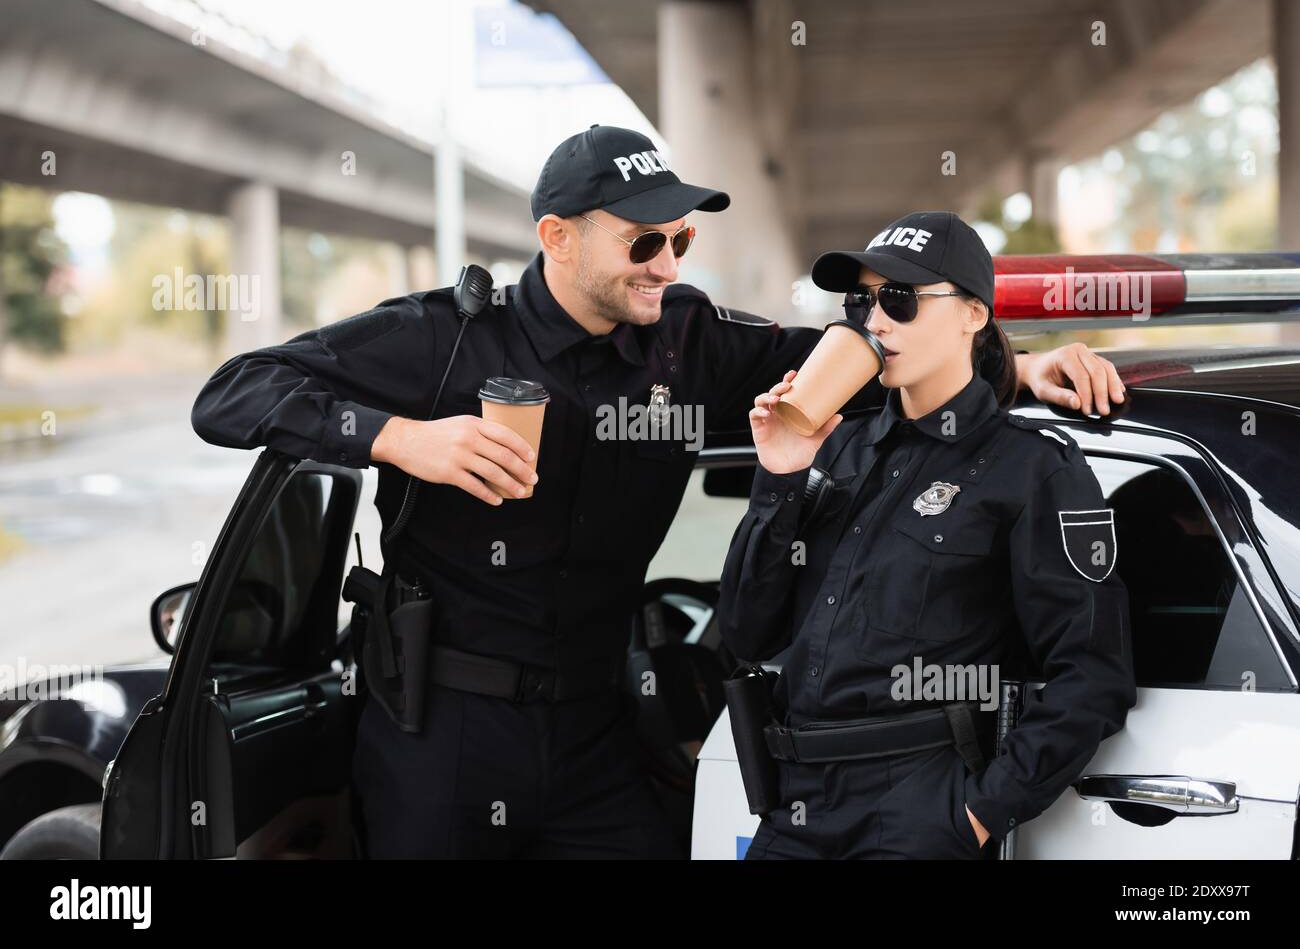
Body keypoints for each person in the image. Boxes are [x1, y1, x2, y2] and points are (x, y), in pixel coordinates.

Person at [190, 126, 1126, 859]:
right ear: (557, 237)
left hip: (600, 729)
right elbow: (232, 392)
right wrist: (403, 439)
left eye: (681, 237)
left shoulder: (687, 341)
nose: (669, 262)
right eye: (645, 240)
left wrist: (1022, 364)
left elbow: (863, 359)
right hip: (446, 731)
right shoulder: (442, 341)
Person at [718, 211, 1138, 859]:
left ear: (973, 314)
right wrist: (779, 476)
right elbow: (748, 633)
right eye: (862, 300)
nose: (875, 321)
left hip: (915, 809)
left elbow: (1093, 674)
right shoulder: (835, 449)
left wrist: (977, 813)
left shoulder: (1030, 466)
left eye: (900, 299)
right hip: (793, 808)